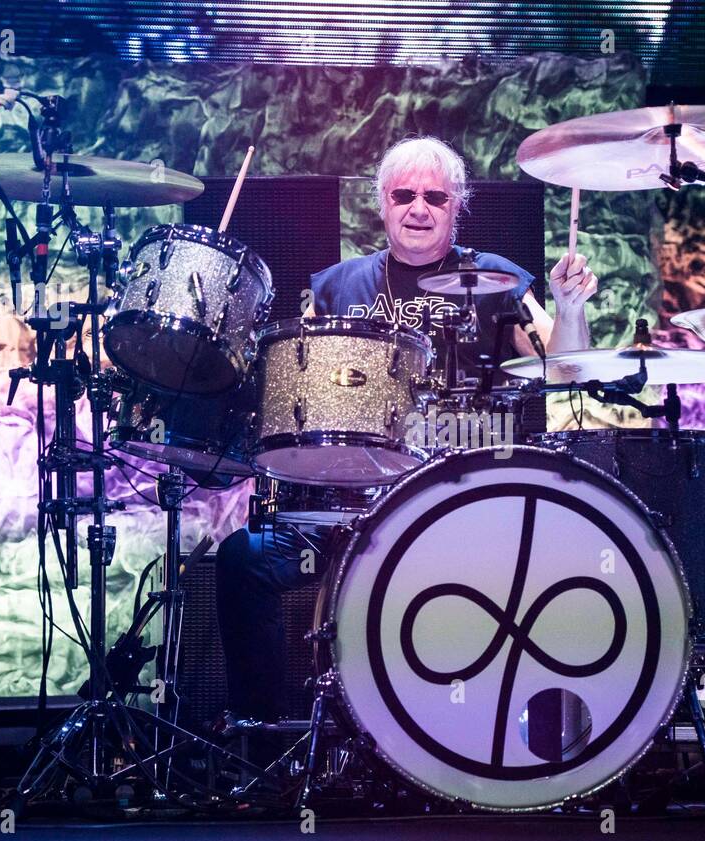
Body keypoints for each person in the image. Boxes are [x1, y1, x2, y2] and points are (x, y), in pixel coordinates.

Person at [211, 136, 596, 735]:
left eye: (435, 197)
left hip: (460, 510)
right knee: (244, 558)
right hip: (343, 515)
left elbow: (566, 371)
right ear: (382, 205)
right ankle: (265, 740)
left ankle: (471, 737)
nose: (419, 208)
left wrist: (570, 307)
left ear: (456, 206)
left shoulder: (495, 280)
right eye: (404, 195)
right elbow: (290, 393)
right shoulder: (336, 286)